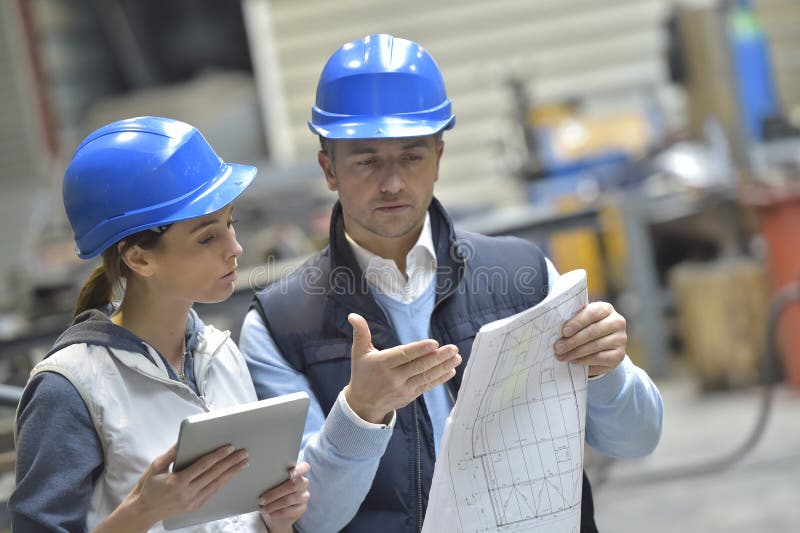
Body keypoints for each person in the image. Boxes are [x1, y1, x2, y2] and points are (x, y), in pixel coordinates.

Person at [239, 34, 663, 533]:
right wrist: (360, 413)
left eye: (412, 157)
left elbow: (637, 441)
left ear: (439, 156)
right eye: (366, 161)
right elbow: (310, 521)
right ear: (328, 169)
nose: (392, 182)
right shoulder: (279, 326)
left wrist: (606, 371)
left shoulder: (527, 278)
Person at [10, 116, 311, 533]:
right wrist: (143, 511)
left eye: (230, 223)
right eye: (207, 237)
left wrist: (277, 519)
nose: (236, 248)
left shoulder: (221, 354)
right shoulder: (69, 388)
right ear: (139, 258)